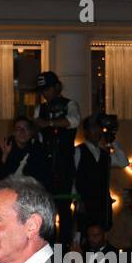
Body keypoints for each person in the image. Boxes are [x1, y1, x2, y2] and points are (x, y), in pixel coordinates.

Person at [32, 71, 80, 244]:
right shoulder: (40, 109)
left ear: (56, 87)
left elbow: (74, 120)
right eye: (42, 90)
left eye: (47, 89)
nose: (45, 93)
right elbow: (36, 129)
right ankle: (47, 247)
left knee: (65, 209)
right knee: (46, 210)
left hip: (65, 163)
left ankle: (65, 247)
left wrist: (49, 124)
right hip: (45, 165)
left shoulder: (70, 104)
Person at [72, 114, 128, 237]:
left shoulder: (104, 154)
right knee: (84, 234)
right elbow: (72, 177)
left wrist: (113, 142)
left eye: (98, 127)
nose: (97, 131)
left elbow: (124, 162)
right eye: (93, 127)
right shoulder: (78, 151)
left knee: (102, 235)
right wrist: (77, 198)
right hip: (85, 202)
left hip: (102, 203)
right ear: (86, 131)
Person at [0, 118, 50, 190]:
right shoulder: (5, 145)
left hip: (28, 191)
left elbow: (43, 175)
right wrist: (5, 155)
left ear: (31, 132)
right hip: (6, 191)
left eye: (26, 128)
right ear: (13, 132)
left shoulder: (37, 148)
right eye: (18, 129)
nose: (22, 132)